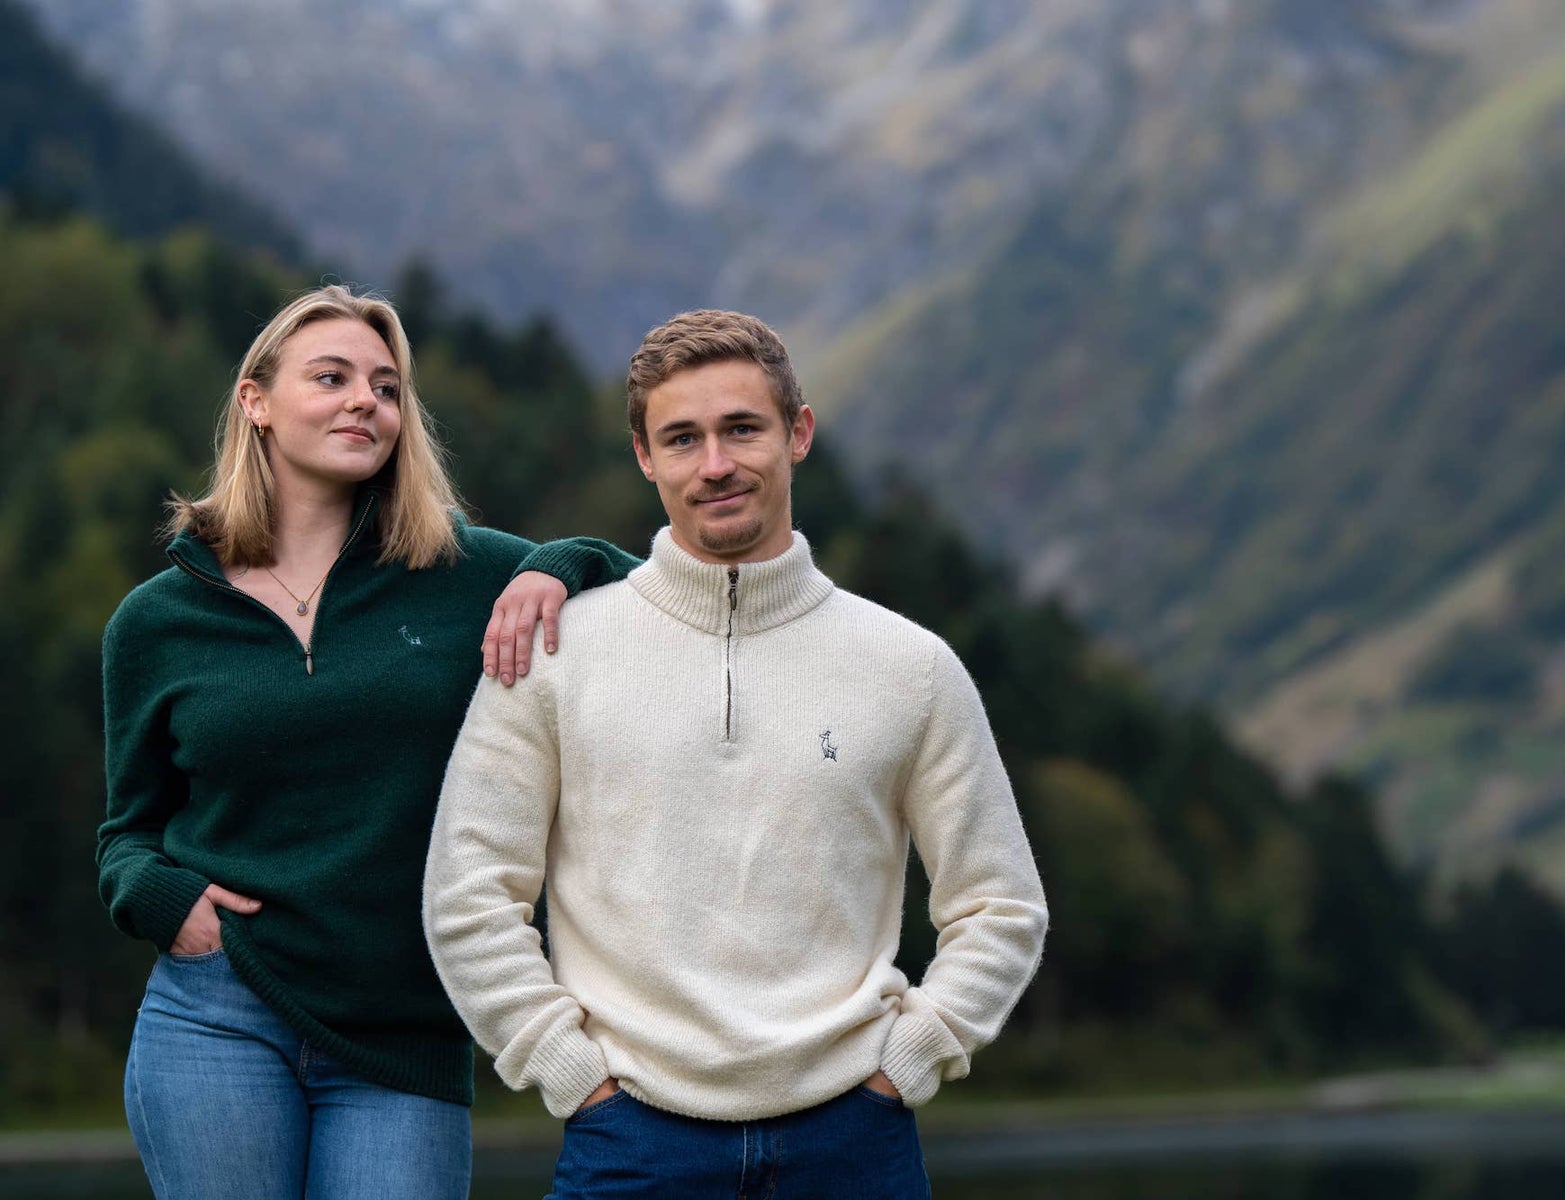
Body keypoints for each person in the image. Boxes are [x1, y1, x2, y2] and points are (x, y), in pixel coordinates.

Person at [424, 309, 1049, 1198]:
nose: (714, 464)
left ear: (798, 434)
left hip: (855, 1143)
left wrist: (905, 1065)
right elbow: (468, 893)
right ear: (645, 457)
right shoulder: (554, 657)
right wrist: (573, 1077)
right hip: (628, 1142)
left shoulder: (910, 667)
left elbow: (1001, 903)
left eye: (741, 429)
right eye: (682, 439)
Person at [98, 284, 637, 1200]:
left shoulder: (459, 571)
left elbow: (649, 586)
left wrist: (557, 564)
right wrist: (158, 897)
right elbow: (126, 834)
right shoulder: (157, 622)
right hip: (219, 1009)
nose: (366, 402)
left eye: (387, 389)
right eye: (333, 377)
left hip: (404, 1029)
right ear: (255, 401)